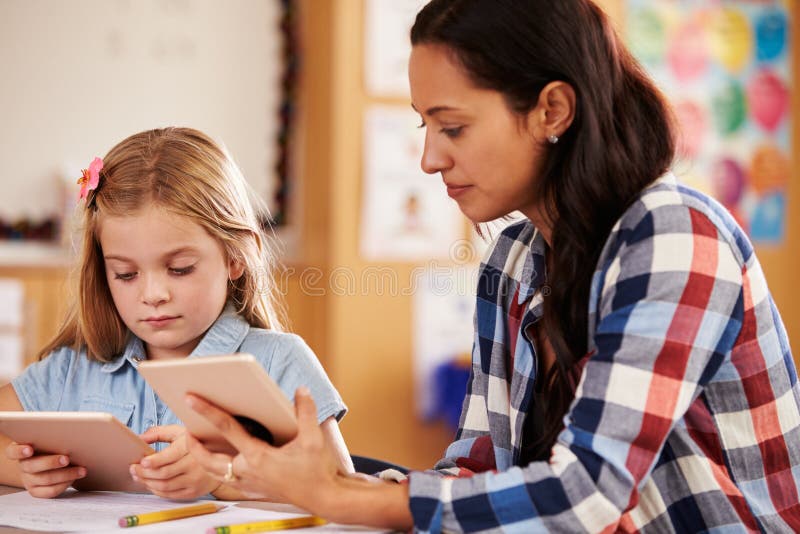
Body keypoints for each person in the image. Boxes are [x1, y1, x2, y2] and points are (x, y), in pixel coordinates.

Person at [184, 0, 800, 531]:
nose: (429, 159)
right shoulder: (513, 260)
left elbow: (587, 495)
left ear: (552, 110)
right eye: (425, 126)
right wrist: (293, 483)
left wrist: (343, 497)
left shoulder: (672, 235)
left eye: (453, 127)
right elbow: (478, 470)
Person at [0, 127, 352, 500]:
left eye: (180, 269)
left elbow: (341, 485)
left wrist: (224, 475)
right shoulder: (73, 369)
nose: (153, 295)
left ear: (235, 257)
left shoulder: (280, 361)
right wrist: (25, 471)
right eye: (126, 274)